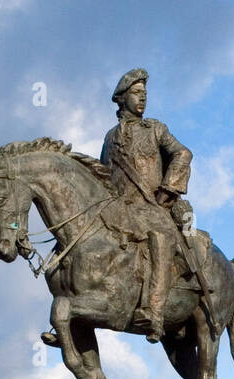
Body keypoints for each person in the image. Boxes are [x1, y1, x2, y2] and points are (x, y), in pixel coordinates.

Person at [40, 68, 195, 348]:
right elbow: (102, 174)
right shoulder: (110, 136)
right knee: (75, 242)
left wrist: (169, 187)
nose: (143, 99)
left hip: (151, 205)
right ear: (121, 98)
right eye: (137, 94)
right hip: (118, 207)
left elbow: (183, 153)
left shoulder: (155, 129)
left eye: (145, 95)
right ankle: (67, 317)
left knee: (160, 236)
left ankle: (154, 312)